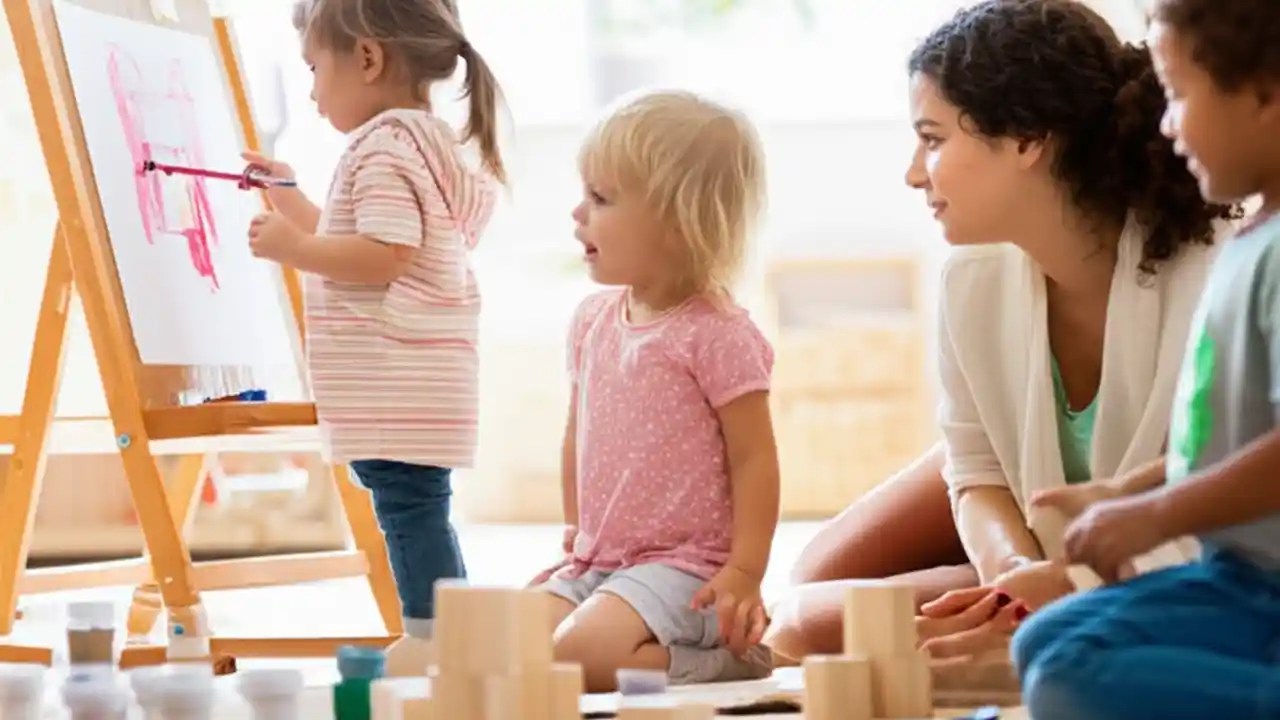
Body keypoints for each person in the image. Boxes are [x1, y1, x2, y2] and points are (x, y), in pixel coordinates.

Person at [765, 0, 1237, 663]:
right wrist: (1011, 576)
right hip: (1032, 498)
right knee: (810, 591)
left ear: (1026, 139)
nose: (911, 172)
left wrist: (1068, 585)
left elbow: (1223, 502)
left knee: (815, 627)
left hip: (1160, 537)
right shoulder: (973, 276)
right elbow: (977, 467)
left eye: (932, 140)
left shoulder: (1216, 272)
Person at [1014, 1, 1280, 717]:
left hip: (1267, 586)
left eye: (1180, 95)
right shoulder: (1254, 238)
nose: (1166, 123)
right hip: (1238, 573)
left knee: (1072, 670)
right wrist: (1130, 490)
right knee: (1045, 645)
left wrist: (1159, 515)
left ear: (1264, 95)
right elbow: (1243, 439)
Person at [242, 0, 504, 674]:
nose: (311, 90)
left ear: (366, 58)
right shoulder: (424, 141)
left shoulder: (382, 147)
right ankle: (447, 635)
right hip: (423, 380)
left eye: (314, 69)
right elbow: (352, 234)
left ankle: (435, 641)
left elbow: (384, 252)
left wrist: (293, 246)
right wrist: (290, 198)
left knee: (410, 514)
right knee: (420, 509)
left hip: (396, 381)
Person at [528, 90, 780, 692]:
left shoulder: (717, 332)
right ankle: (621, 633)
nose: (577, 214)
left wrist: (744, 572)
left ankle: (727, 661)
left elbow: (756, 458)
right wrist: (575, 531)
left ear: (675, 221)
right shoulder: (592, 320)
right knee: (503, 643)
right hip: (599, 561)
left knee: (580, 660)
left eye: (601, 198)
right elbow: (577, 433)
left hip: (684, 567)